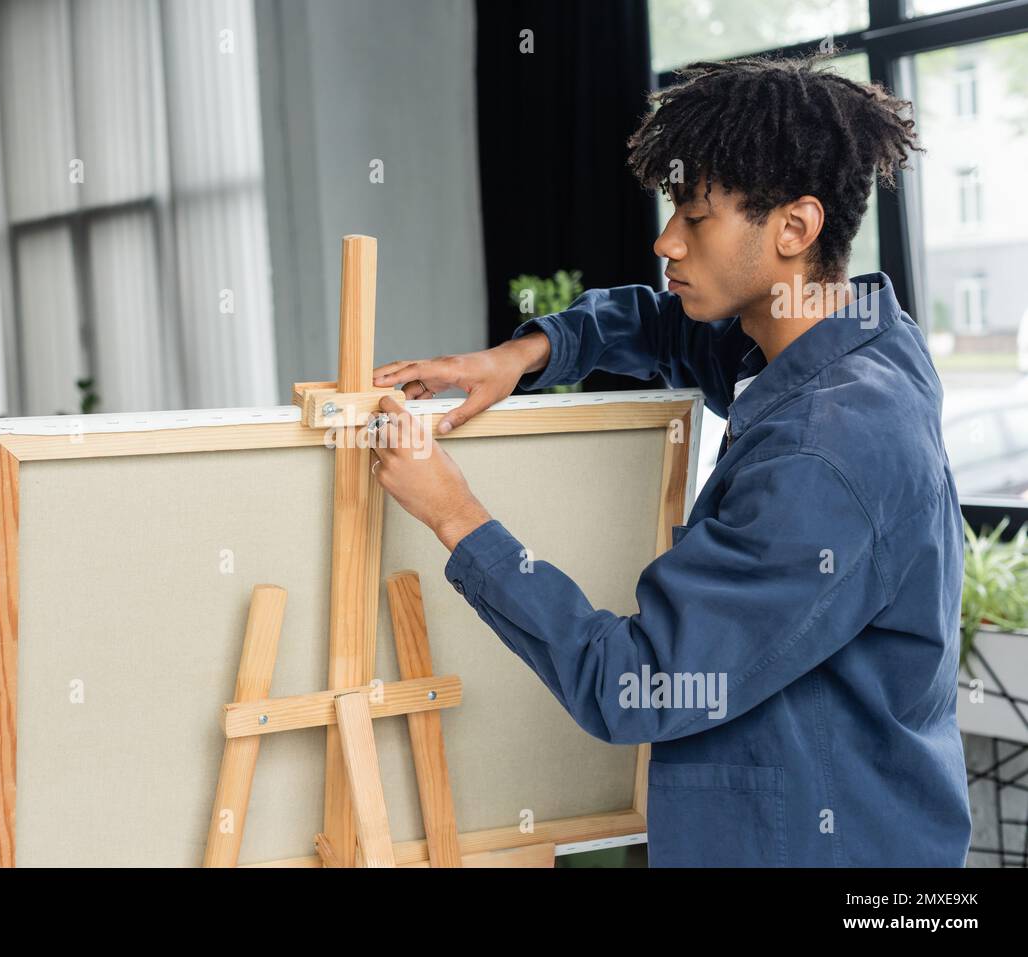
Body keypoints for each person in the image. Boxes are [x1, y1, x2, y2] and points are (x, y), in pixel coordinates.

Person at [365, 53, 971, 867]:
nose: (666, 241)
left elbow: (635, 683)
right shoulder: (847, 344)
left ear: (795, 227)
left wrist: (455, 515)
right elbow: (668, 330)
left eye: (695, 217)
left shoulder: (824, 451)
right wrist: (532, 352)